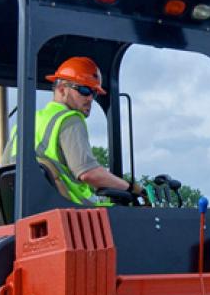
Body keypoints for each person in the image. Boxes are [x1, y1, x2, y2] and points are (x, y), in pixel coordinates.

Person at [9, 56, 144, 205]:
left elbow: (6, 170)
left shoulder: (25, 123)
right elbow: (89, 173)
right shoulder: (69, 119)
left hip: (35, 208)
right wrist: (132, 189)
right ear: (62, 90)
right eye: (84, 90)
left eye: (94, 93)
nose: (90, 98)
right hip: (72, 211)